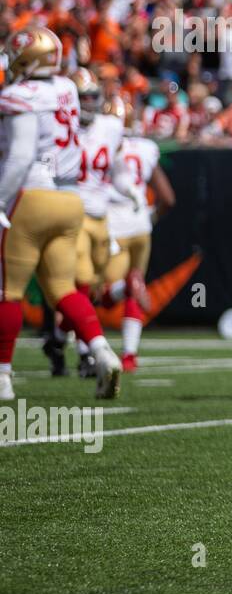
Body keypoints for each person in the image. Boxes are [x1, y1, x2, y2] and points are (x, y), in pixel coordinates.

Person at [0, 28, 123, 401]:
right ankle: (101, 353)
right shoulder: (66, 89)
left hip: (32, 194)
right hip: (70, 199)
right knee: (63, 289)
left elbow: (21, 156)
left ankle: (2, 376)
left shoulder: (18, 96)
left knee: (8, 290)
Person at [104, 100, 174, 370]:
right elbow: (168, 199)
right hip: (140, 224)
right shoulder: (146, 148)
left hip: (110, 221)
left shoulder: (104, 143)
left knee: (95, 290)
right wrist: (149, 218)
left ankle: (84, 351)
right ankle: (130, 355)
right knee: (135, 281)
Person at [70, 67, 127, 378]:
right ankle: (86, 352)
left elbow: (117, 170)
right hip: (73, 213)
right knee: (78, 282)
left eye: (93, 96)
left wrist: (129, 191)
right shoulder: (61, 125)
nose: (89, 102)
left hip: (102, 215)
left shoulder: (110, 125)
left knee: (92, 287)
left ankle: (62, 333)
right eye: (83, 97)